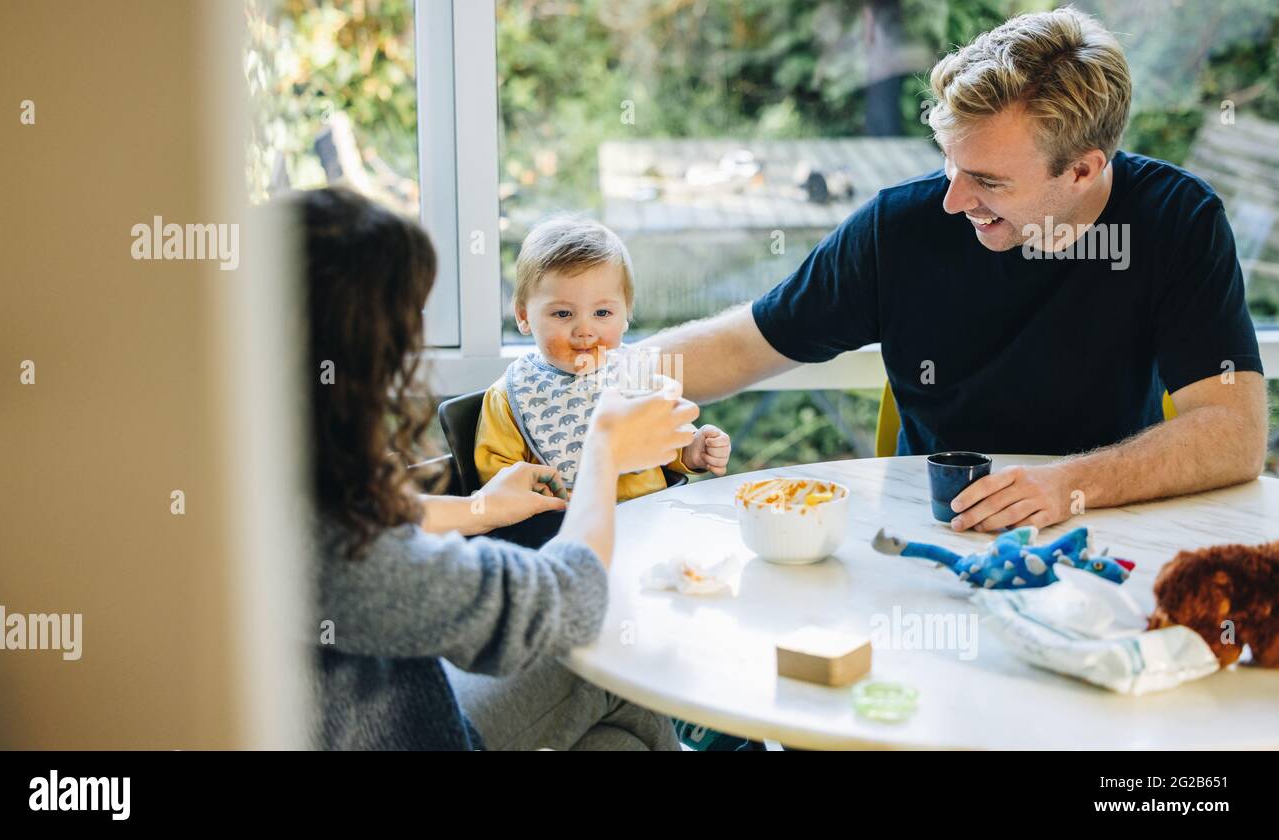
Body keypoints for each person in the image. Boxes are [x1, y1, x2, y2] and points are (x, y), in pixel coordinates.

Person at [648, 7, 1267, 534]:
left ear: (1081, 170)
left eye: (989, 181)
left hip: (1110, 525)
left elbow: (1232, 432)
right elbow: (740, 346)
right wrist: (573, 376)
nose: (953, 200)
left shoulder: (1176, 221)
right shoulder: (900, 227)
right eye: (951, 164)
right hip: (932, 527)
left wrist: (1067, 487)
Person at [300, 186, 695, 750]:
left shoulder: (243, 465)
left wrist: (475, 508)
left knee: (618, 744)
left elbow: (352, 518)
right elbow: (568, 604)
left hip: (377, 718)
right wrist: (602, 451)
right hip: (421, 735)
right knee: (608, 643)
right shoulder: (353, 560)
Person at [475, 215, 731, 503]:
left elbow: (664, 441)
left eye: (602, 313)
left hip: (653, 520)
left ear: (626, 315)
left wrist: (694, 450)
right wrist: (533, 493)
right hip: (564, 531)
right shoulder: (510, 395)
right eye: (562, 314)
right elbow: (497, 478)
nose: (585, 330)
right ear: (523, 316)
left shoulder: (635, 374)